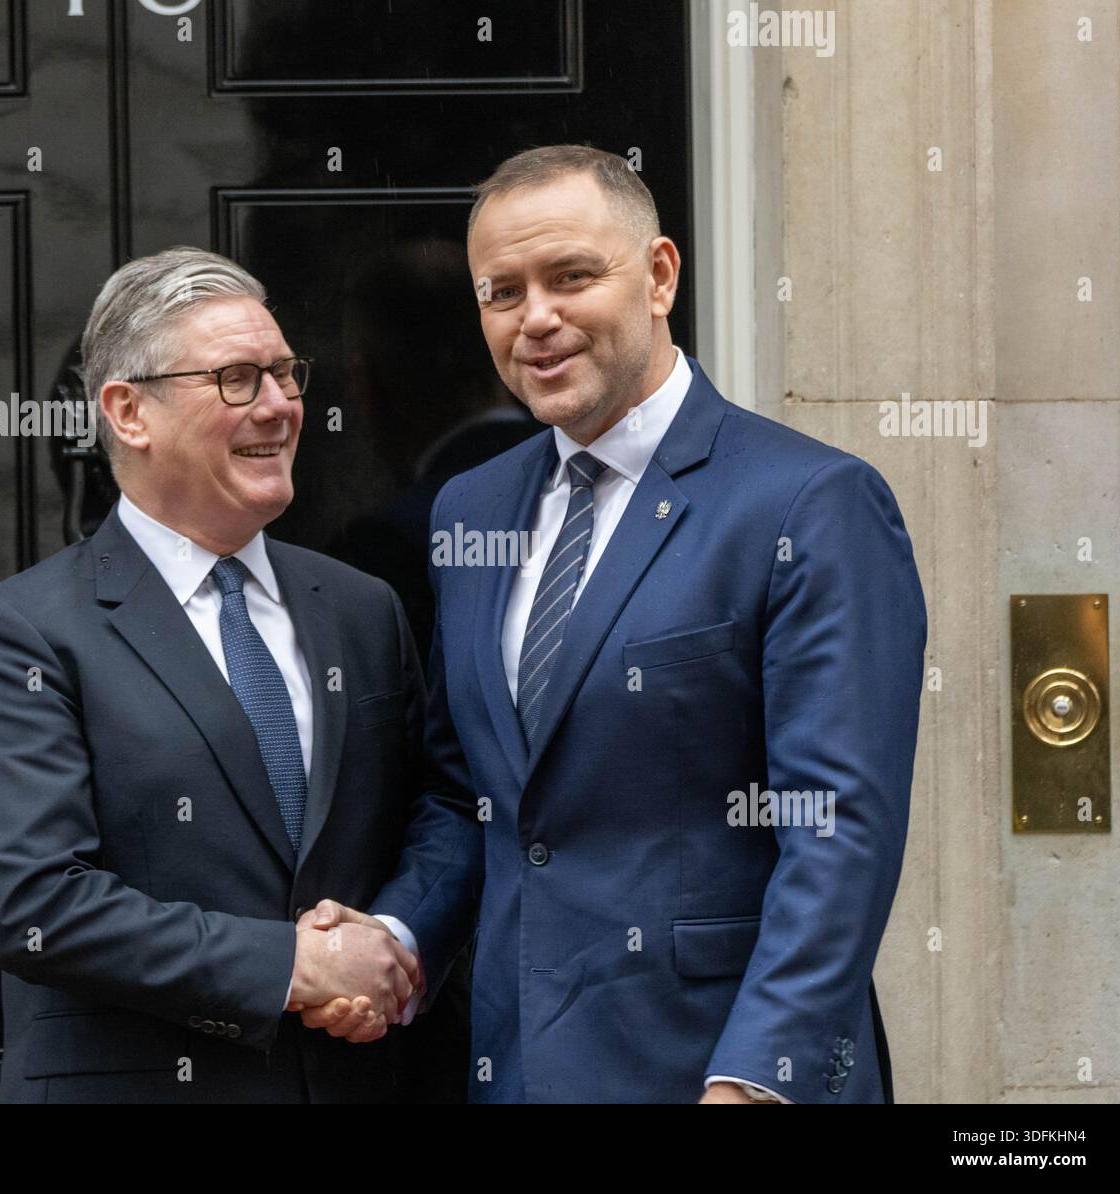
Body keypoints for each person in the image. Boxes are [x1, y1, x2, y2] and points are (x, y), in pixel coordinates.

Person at [301, 145, 927, 1104]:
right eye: (500, 292)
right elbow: (471, 793)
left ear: (661, 274)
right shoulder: (470, 512)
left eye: (571, 278)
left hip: (718, 1071)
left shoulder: (810, 504)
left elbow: (836, 830)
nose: (536, 318)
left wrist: (757, 1076)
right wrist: (398, 938)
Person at [0, 246, 431, 1103]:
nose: (282, 406)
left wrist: (388, 943)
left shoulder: (362, 610)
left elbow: (444, 813)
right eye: (238, 378)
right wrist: (295, 966)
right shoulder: (25, 631)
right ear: (129, 412)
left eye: (286, 374)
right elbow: (36, 905)